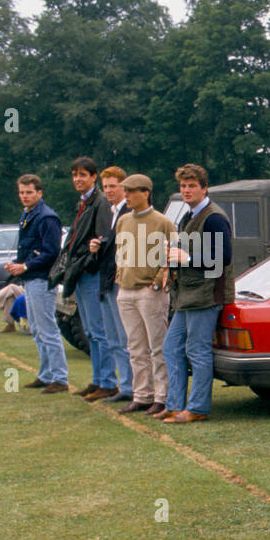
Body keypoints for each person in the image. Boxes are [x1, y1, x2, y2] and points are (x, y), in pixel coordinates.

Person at [158, 163, 233, 424]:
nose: (187, 190)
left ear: (204, 188)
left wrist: (186, 258)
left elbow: (223, 257)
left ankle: (198, 408)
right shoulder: (188, 216)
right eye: (183, 186)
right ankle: (175, 405)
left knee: (197, 351)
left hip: (206, 295)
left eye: (192, 185)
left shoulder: (214, 217)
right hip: (186, 297)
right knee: (170, 347)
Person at [114, 175, 174, 415]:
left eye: (131, 191)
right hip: (126, 290)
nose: (126, 196)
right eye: (125, 191)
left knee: (157, 346)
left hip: (150, 293)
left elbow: (170, 254)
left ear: (146, 192)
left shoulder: (163, 222)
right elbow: (120, 250)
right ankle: (142, 394)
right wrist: (120, 277)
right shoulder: (123, 221)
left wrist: (157, 282)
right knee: (135, 347)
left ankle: (162, 396)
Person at [57, 157, 116, 401]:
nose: (77, 179)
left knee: (99, 331)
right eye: (74, 175)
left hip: (91, 274)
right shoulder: (83, 203)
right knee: (90, 331)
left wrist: (88, 265)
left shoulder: (100, 203)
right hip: (80, 274)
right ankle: (98, 380)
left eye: (82, 174)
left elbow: (102, 241)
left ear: (94, 177)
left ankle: (108, 382)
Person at [6, 175, 67, 393]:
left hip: (42, 279)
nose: (24, 196)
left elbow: (51, 252)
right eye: (21, 192)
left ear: (39, 193)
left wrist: (26, 266)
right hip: (31, 278)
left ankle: (60, 378)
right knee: (37, 329)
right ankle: (46, 374)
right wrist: (18, 264)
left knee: (47, 328)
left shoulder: (47, 218)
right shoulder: (28, 215)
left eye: (29, 192)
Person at [91, 166, 134, 403]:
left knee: (125, 338)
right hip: (107, 280)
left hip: (120, 281)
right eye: (105, 186)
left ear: (123, 187)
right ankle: (125, 385)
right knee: (113, 338)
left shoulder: (128, 212)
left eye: (113, 186)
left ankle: (131, 386)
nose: (108, 191)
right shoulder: (111, 212)